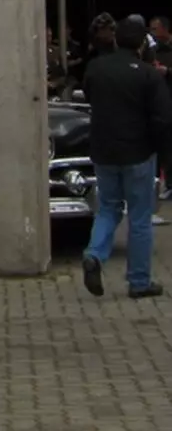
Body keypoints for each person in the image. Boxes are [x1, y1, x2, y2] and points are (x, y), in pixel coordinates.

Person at [80, 16, 172, 298]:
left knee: (108, 208)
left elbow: (90, 96)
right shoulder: (148, 75)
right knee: (140, 217)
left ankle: (94, 254)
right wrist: (165, 155)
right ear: (143, 44)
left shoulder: (95, 68)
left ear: (117, 40)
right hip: (139, 153)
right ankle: (139, 281)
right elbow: (162, 119)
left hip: (104, 151)